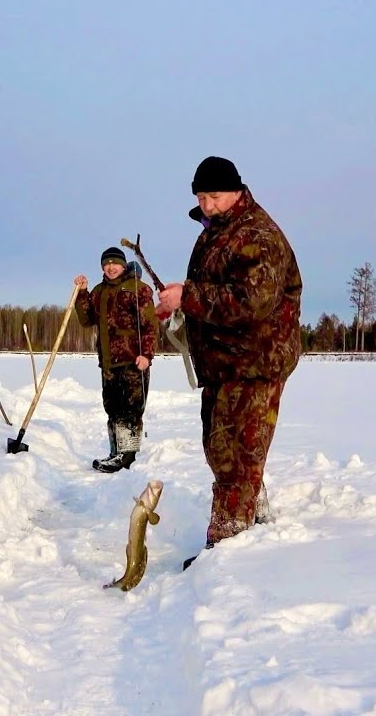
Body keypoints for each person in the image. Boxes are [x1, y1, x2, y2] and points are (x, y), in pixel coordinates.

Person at [155, 156, 303, 567]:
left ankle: (229, 553)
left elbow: (250, 301)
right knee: (222, 449)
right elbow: (215, 286)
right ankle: (253, 514)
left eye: (214, 196)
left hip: (255, 363)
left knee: (236, 456)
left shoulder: (257, 235)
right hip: (224, 364)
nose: (206, 205)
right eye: (201, 197)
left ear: (236, 191)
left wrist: (189, 297)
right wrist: (183, 294)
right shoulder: (218, 233)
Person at [73, 246, 157, 472]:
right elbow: (86, 319)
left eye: (115, 263)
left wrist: (147, 355)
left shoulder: (138, 289)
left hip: (132, 360)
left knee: (130, 409)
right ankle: (116, 451)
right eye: (106, 264)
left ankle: (127, 456)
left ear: (123, 265)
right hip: (109, 362)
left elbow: (150, 326)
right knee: (112, 407)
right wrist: (82, 292)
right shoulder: (99, 291)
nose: (111, 267)